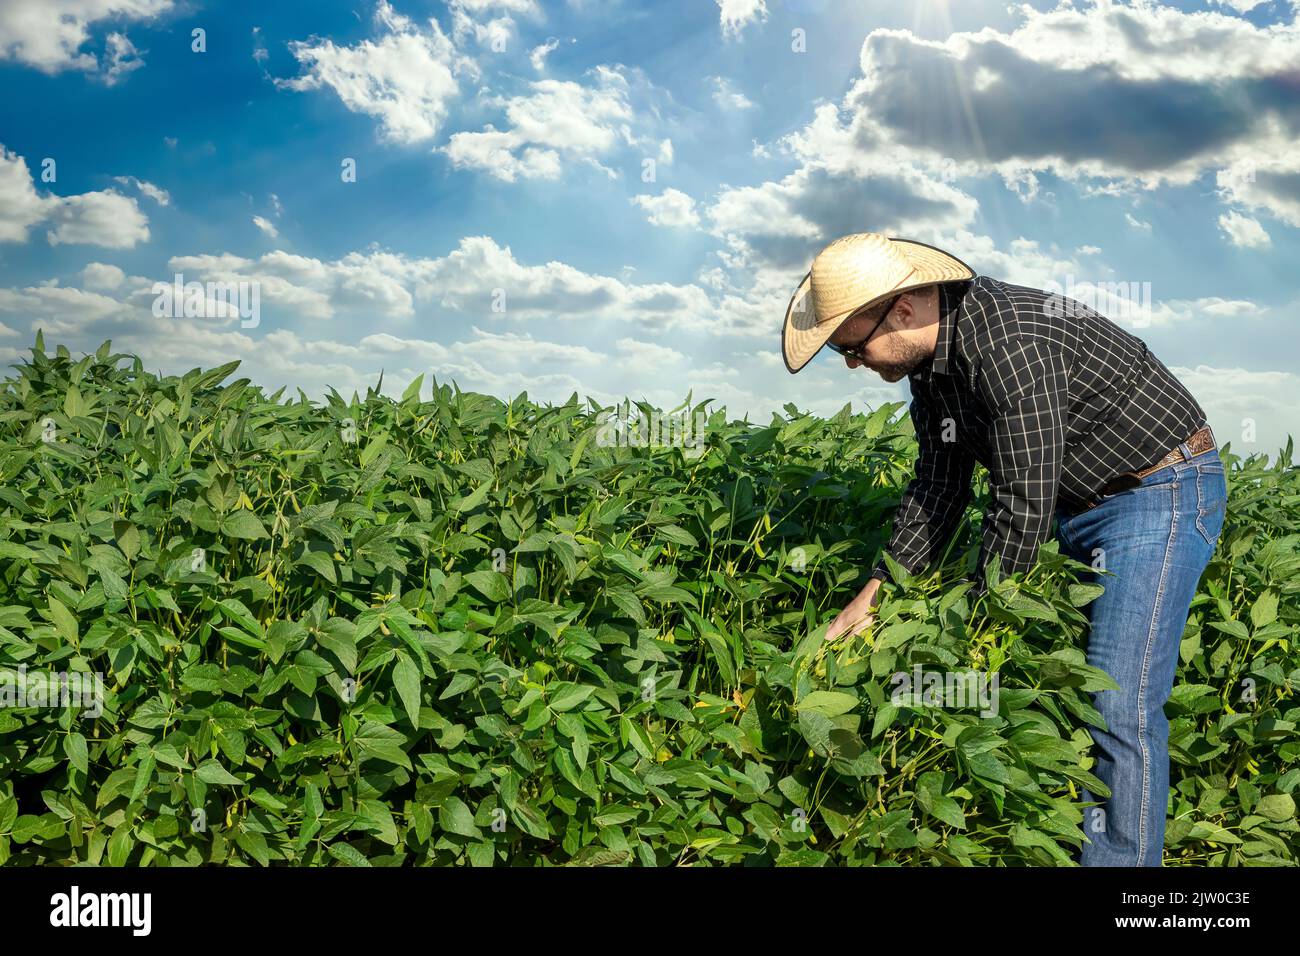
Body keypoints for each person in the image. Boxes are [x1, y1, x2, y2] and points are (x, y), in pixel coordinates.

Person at [780, 232, 1228, 866]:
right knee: (1068, 692)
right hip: (1074, 502)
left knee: (1115, 703)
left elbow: (1020, 502)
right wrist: (875, 594)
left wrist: (975, 632)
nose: (858, 366)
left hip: (1156, 493)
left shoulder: (1010, 341)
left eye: (855, 349)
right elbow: (939, 488)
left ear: (903, 310)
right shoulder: (932, 372)